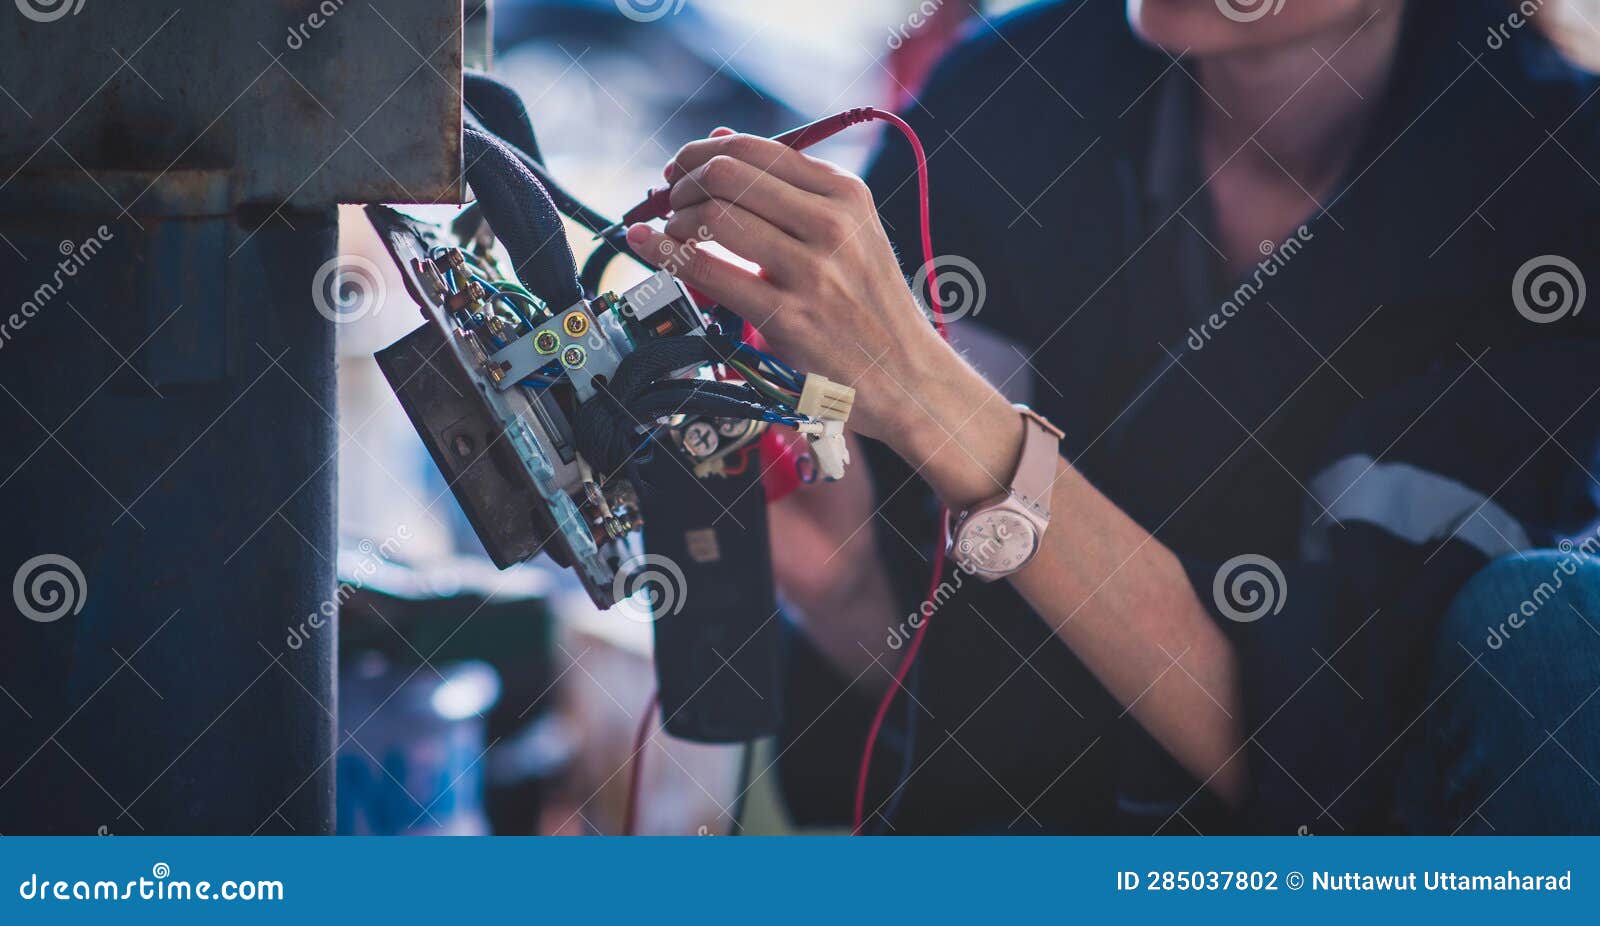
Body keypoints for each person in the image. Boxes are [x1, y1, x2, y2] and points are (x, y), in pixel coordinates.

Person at [625, 0, 1600, 834]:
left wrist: (942, 409)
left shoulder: (1560, 196)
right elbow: (987, 734)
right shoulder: (1003, 95)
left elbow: (1354, 765)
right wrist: (843, 591)